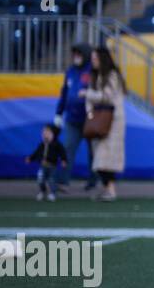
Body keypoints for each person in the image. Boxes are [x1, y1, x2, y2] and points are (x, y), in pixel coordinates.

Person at [82, 46, 126, 202]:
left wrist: (87, 94)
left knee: (105, 158)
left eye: (95, 58)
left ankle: (110, 189)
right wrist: (89, 110)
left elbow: (106, 97)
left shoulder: (112, 76)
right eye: (92, 58)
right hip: (98, 121)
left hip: (112, 121)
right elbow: (92, 99)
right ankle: (108, 189)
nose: (92, 61)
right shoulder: (96, 76)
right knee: (100, 159)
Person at [54, 42, 96, 191]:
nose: (75, 57)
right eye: (74, 54)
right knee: (68, 148)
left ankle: (93, 181)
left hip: (89, 118)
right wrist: (59, 113)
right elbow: (64, 93)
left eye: (79, 54)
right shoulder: (70, 71)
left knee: (93, 151)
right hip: (72, 118)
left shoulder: (93, 70)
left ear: (85, 55)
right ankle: (63, 180)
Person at [26, 123, 68, 202]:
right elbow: (36, 153)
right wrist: (30, 158)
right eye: (43, 132)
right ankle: (42, 191)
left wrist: (64, 160)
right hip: (43, 166)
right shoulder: (42, 145)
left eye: (48, 132)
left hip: (52, 166)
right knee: (40, 179)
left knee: (52, 180)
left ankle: (52, 193)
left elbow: (62, 153)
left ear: (53, 134)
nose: (45, 134)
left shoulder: (57, 144)